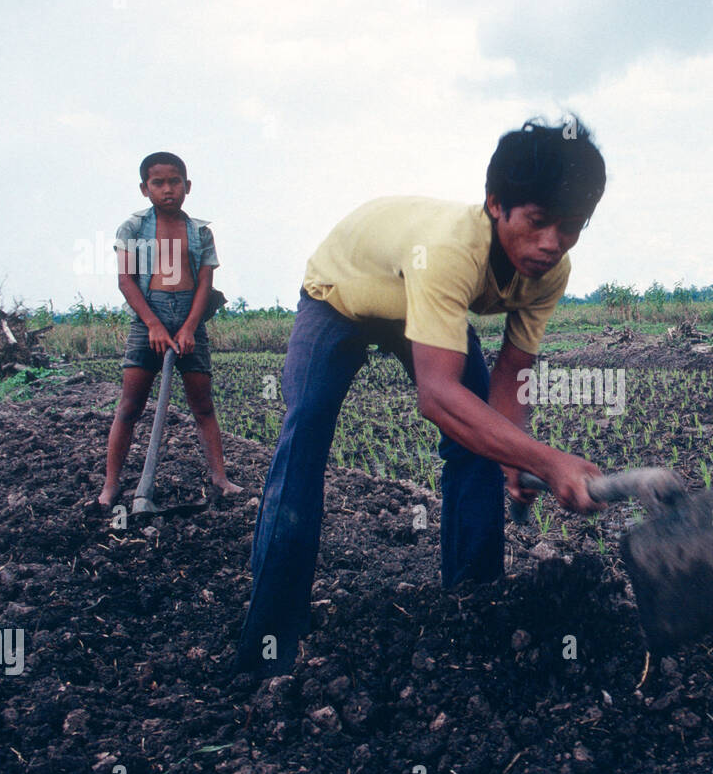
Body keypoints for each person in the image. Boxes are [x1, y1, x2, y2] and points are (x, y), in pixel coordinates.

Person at [233, 116, 608, 677]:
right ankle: (269, 640)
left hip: (422, 306)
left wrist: (513, 455)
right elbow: (437, 396)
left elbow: (513, 368)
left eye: (571, 226)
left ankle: (473, 610)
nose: (552, 242)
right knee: (305, 434)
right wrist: (549, 463)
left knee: (479, 447)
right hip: (344, 292)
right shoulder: (452, 250)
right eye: (537, 221)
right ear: (495, 204)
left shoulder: (550, 272)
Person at [97, 151, 242, 509]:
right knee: (130, 406)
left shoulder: (199, 232)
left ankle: (220, 479)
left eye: (174, 182)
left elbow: (205, 282)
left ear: (187, 186)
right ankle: (111, 485)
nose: (167, 189)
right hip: (149, 318)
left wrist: (191, 326)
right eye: (158, 183)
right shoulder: (132, 229)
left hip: (190, 319)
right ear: (144, 189)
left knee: (203, 406)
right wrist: (154, 325)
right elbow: (126, 281)